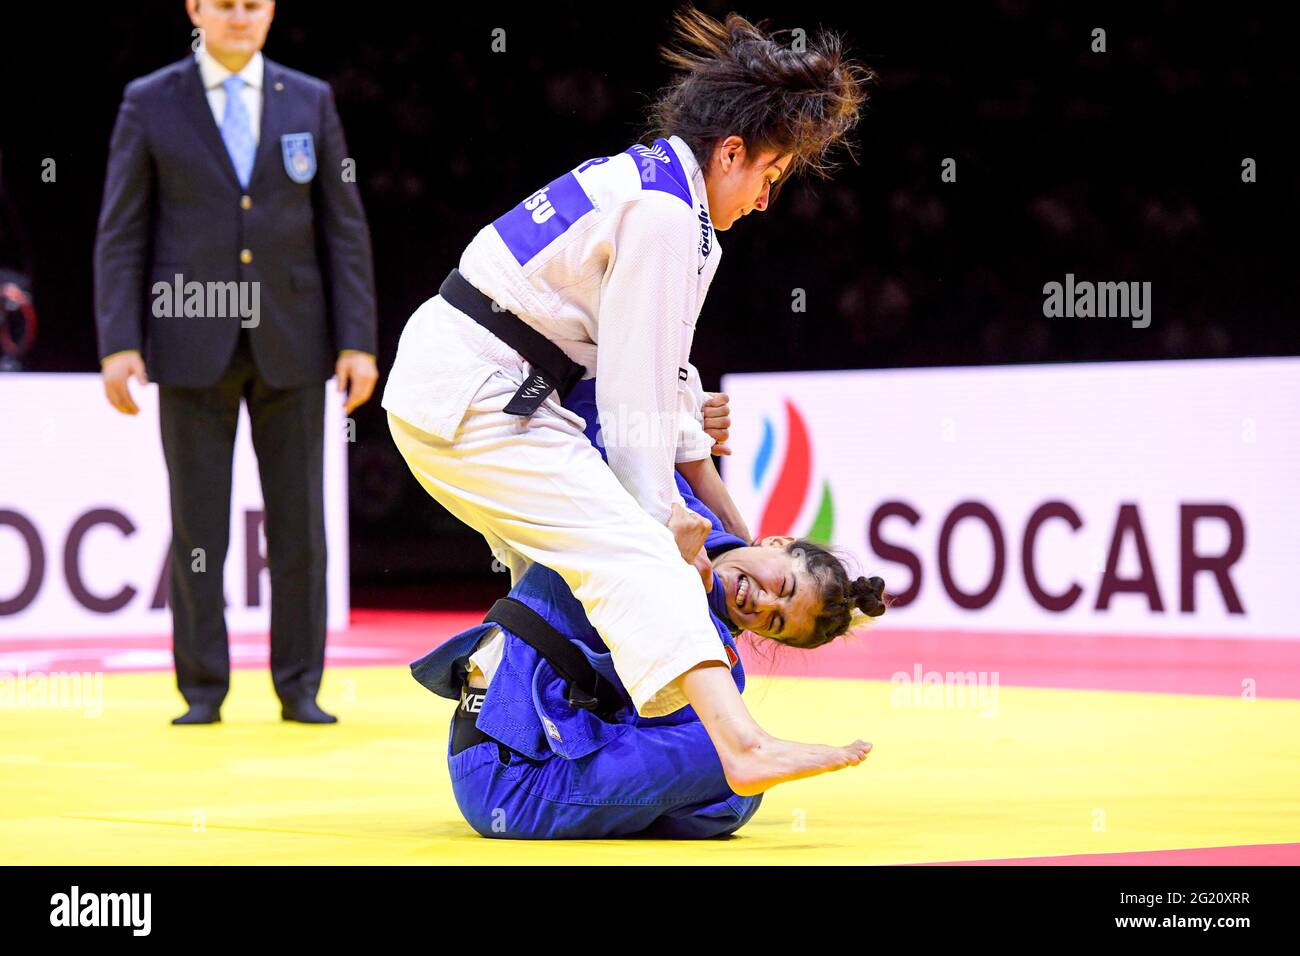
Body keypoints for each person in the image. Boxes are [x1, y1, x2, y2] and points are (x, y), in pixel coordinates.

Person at [385, 7, 871, 795]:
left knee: (568, 561)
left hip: (490, 391)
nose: (766, 199)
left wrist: (713, 504)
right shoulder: (665, 213)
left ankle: (512, 723)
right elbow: (634, 385)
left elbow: (664, 372)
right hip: (476, 396)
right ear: (733, 151)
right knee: (634, 548)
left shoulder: (668, 194)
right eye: (770, 177)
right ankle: (738, 746)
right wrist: (660, 509)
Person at [93, 0, 378, 725]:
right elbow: (122, 230)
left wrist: (357, 340)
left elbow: (342, 227)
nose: (240, 17)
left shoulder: (309, 98)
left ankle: (300, 687)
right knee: (198, 530)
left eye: (253, 4)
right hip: (189, 340)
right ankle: (202, 690)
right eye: (225, 5)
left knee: (299, 528)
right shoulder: (151, 100)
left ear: (273, 10)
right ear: (196, 9)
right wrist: (118, 340)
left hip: (294, 338)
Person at [411, 471, 888, 839]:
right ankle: (693, 781)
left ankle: (634, 805)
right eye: (781, 585)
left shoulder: (715, 661)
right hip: (508, 774)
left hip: (531, 758)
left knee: (736, 796)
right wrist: (691, 413)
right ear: (778, 543)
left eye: (775, 622)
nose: (761, 603)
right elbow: (610, 425)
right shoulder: (670, 501)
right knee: (726, 768)